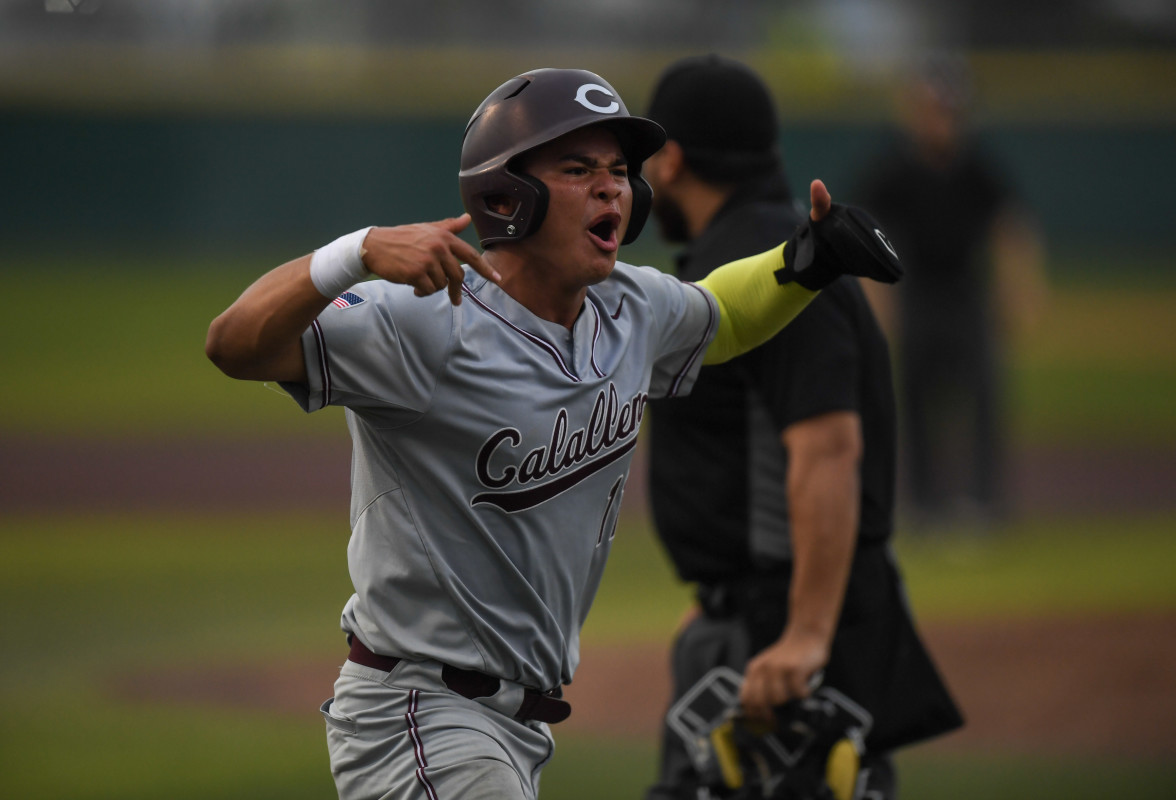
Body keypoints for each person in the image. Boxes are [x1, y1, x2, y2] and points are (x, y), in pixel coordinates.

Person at [205, 67, 896, 800]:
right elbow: (232, 345)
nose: (611, 189)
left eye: (620, 172)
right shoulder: (420, 318)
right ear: (507, 196)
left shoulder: (630, 307)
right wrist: (354, 252)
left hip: (517, 729)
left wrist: (809, 262)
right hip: (417, 714)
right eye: (578, 170)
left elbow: (720, 316)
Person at [640, 55, 964, 800]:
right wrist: (719, 593)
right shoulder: (760, 253)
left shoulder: (776, 269)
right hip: (755, 621)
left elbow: (827, 447)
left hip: (786, 644)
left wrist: (804, 634)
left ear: (677, 157)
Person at [856, 54, 1047, 531]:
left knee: (982, 395)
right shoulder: (895, 167)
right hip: (916, 294)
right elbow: (862, 234)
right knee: (917, 398)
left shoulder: (974, 166)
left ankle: (984, 504)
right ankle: (926, 506)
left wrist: (1020, 289)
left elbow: (1012, 225)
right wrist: (878, 305)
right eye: (930, 108)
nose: (939, 119)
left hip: (966, 296)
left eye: (946, 109)